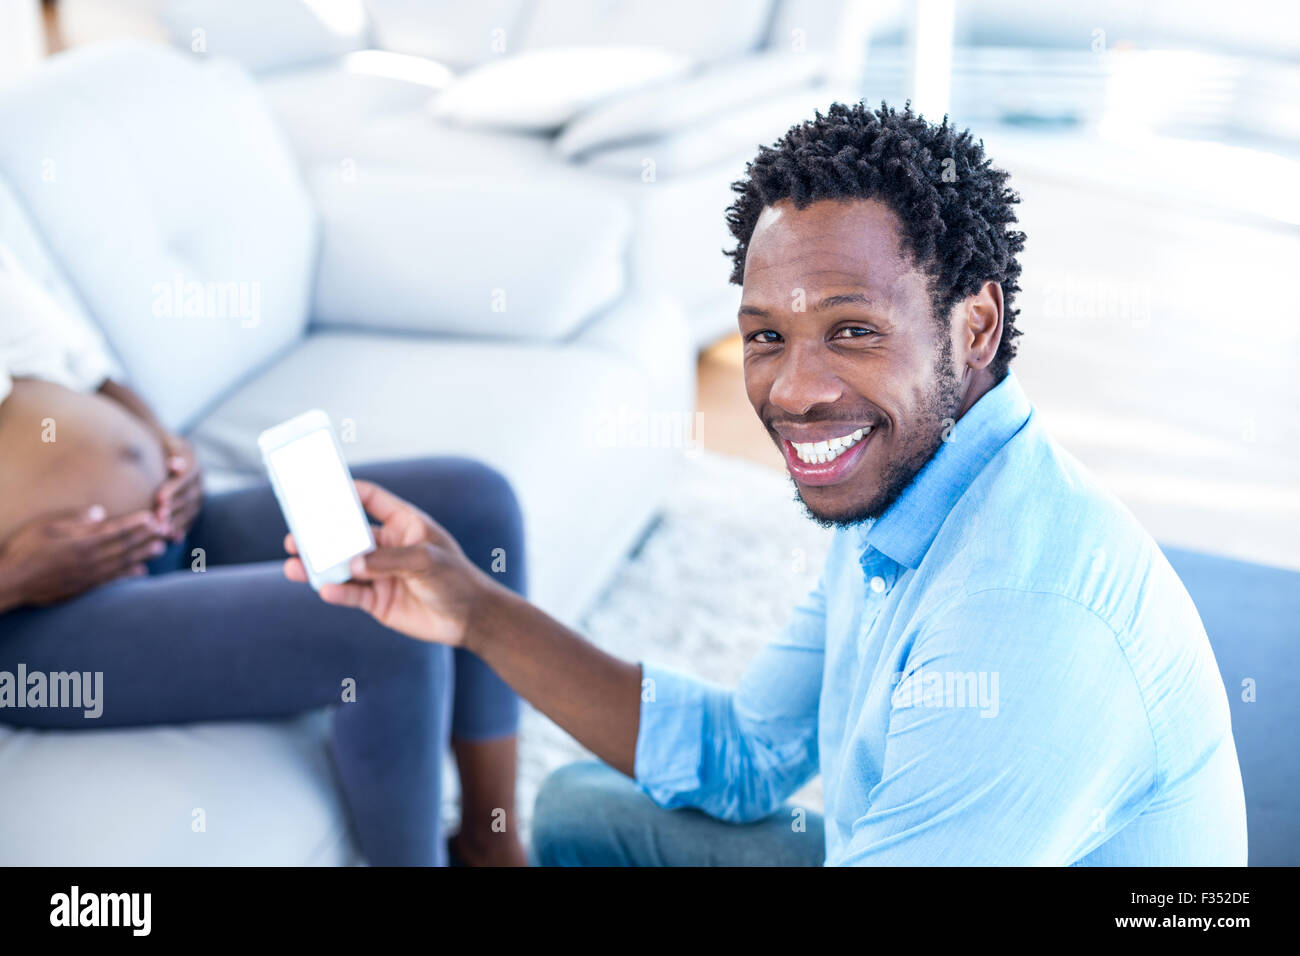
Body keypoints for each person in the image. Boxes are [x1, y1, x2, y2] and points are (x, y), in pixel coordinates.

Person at [292, 102, 1248, 866]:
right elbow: (742, 756)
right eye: (766, 337)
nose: (793, 391)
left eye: (853, 330)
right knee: (582, 811)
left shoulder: (1025, 624)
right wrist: (472, 611)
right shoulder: (910, 489)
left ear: (976, 327)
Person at [0, 243, 526, 866]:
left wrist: (165, 443)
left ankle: (488, 845)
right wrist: (18, 575)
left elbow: (84, 368)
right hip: (38, 617)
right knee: (384, 621)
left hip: (175, 529)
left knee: (476, 504)